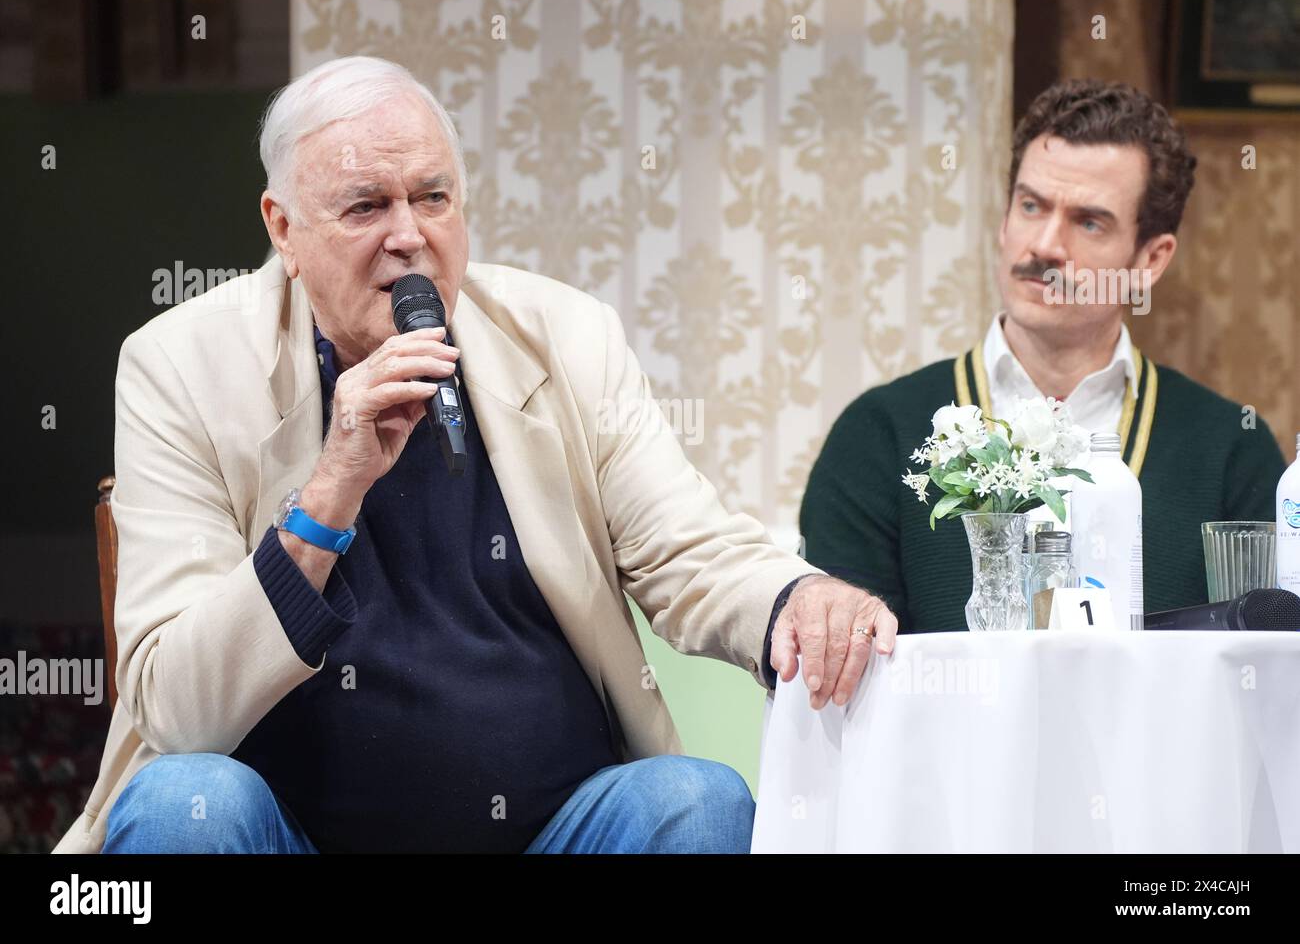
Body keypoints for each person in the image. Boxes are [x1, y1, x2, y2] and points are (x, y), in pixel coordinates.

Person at [55, 56, 896, 855]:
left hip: (552, 830)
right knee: (184, 803)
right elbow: (177, 707)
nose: (409, 236)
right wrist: (331, 491)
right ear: (284, 228)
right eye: (365, 206)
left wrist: (797, 597)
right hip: (289, 834)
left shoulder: (567, 335)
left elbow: (690, 548)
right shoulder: (182, 366)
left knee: (696, 802)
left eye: (433, 197)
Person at [801, 78, 1285, 633]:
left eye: (1088, 221)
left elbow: (1266, 666)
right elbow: (837, 669)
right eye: (1031, 206)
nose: (1046, 245)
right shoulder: (878, 435)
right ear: (1005, 220)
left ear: (1150, 260)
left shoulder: (1233, 448)